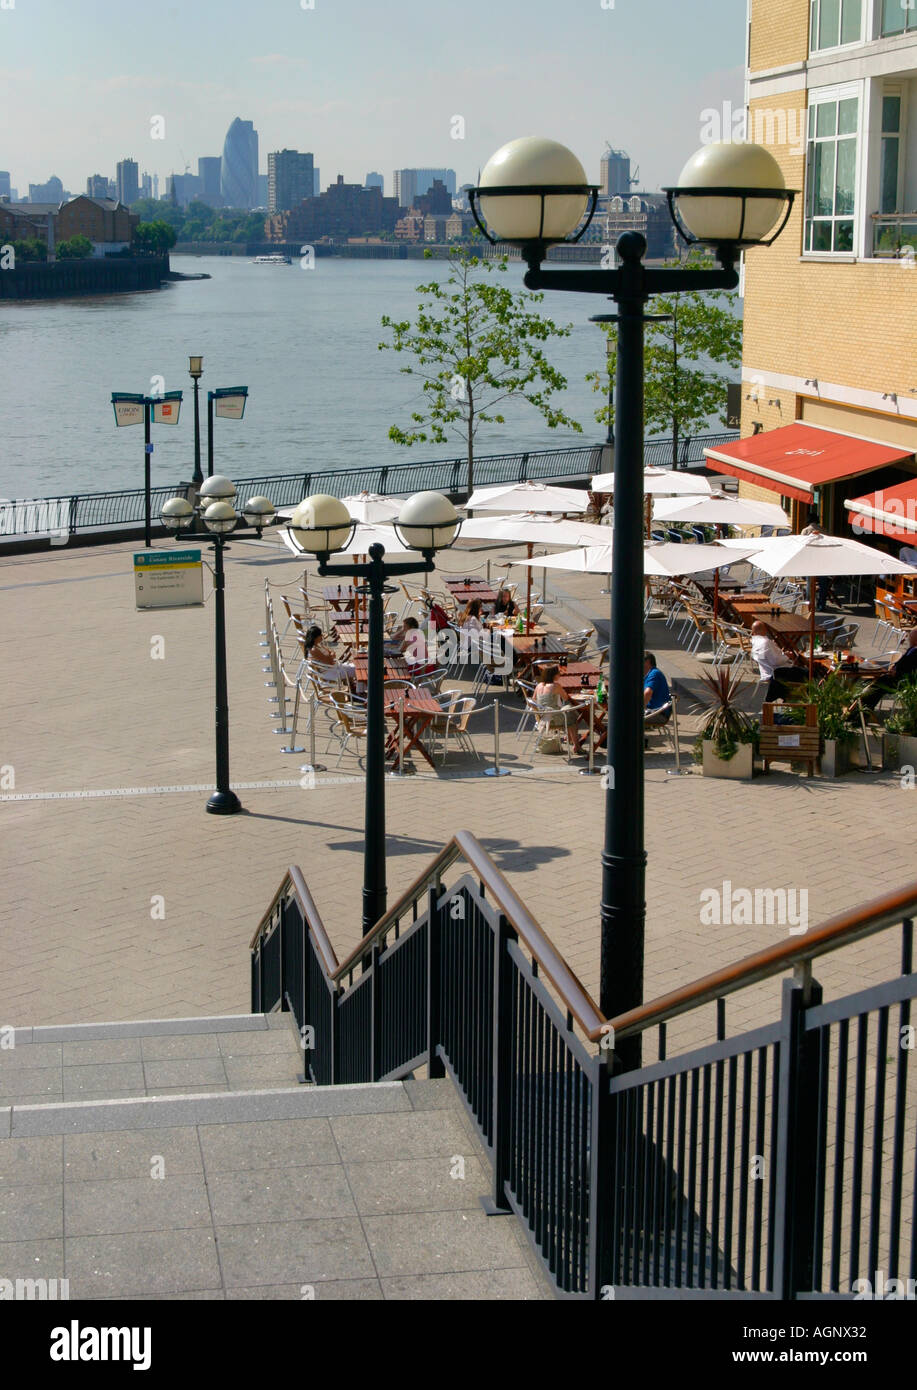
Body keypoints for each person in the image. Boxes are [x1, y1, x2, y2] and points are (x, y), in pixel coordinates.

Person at [750, 620, 808, 700]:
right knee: (808, 673)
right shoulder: (765, 642)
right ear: (764, 630)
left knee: (803, 671)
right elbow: (775, 661)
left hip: (767, 671)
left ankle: (795, 697)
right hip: (777, 673)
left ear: (753, 632)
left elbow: (769, 657)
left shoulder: (755, 642)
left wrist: (782, 653)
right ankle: (800, 699)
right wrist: (787, 656)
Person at [862, 627, 917, 709]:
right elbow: (900, 663)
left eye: (910, 638)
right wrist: (894, 668)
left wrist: (895, 671)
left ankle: (862, 711)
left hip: (901, 682)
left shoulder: (915, 652)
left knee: (875, 686)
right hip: (896, 678)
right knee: (873, 684)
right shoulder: (912, 649)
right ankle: (863, 710)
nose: (908, 641)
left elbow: (908, 668)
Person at [532, 663, 576, 754]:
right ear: (554, 675)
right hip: (553, 719)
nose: (560, 675)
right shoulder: (556, 686)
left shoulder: (539, 685)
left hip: (542, 718)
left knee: (568, 714)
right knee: (572, 716)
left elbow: (533, 700)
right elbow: (565, 698)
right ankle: (576, 746)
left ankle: (570, 739)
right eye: (558, 673)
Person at [643, 652, 672, 726]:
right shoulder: (647, 674)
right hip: (653, 711)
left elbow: (647, 693)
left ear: (647, 662)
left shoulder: (654, 674)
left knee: (624, 716)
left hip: (658, 714)